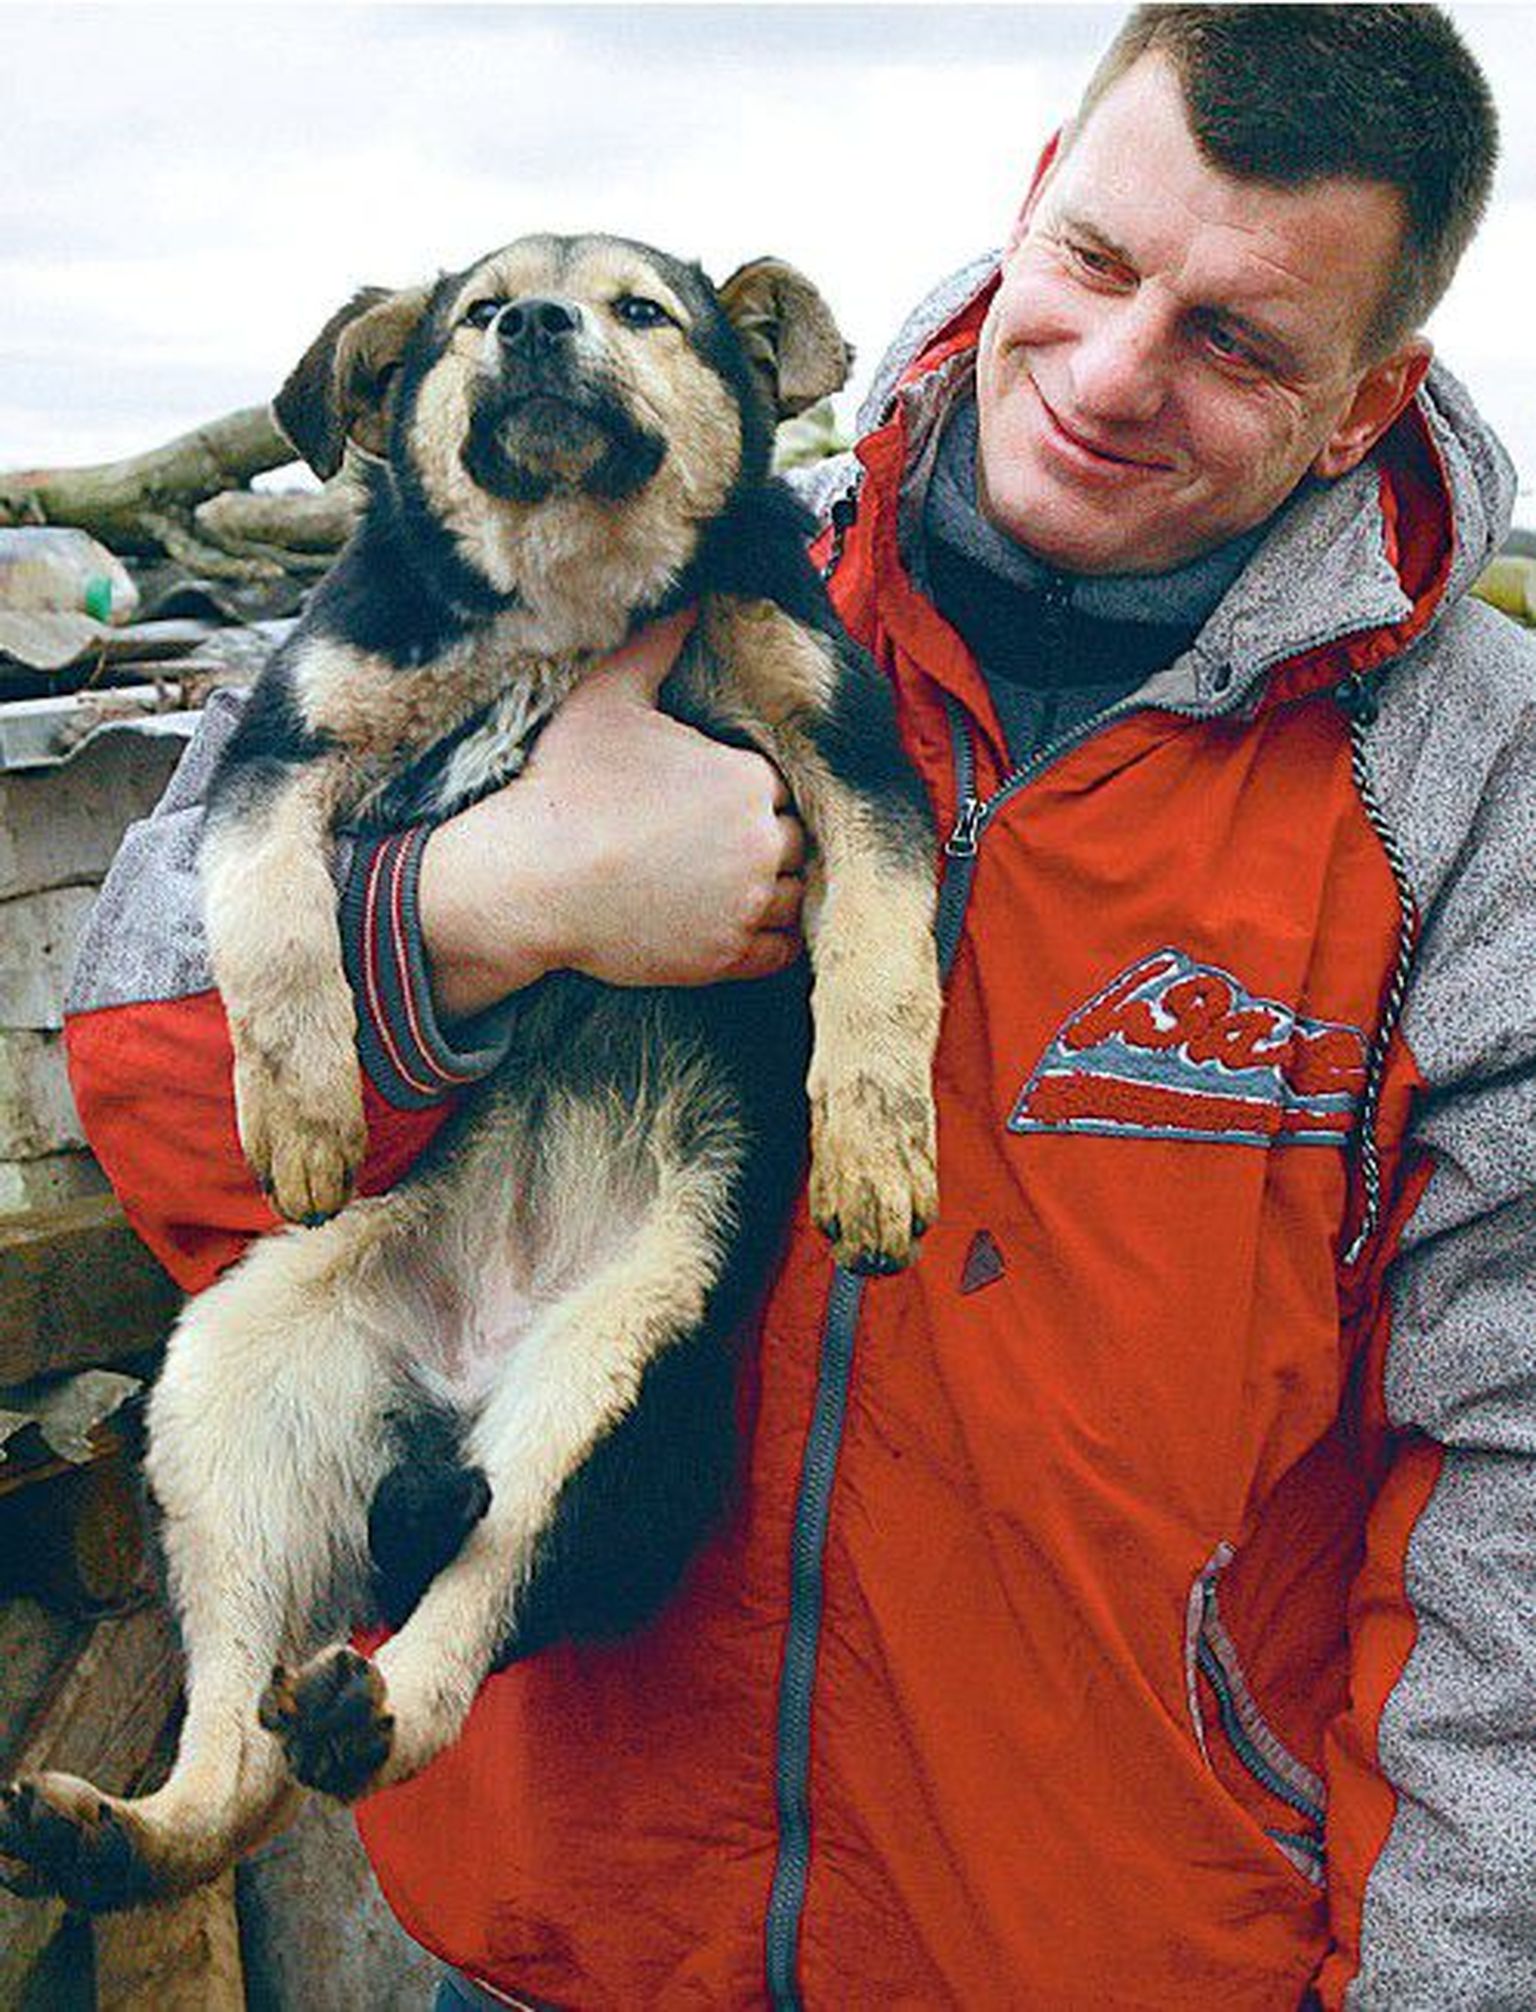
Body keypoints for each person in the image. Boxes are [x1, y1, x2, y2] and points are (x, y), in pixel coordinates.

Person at [58, 6, 1535, 2006]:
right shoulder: (616, 539)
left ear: (1370, 401)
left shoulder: (1470, 801)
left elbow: (1506, 1497)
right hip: (559, 1948)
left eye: (1235, 341)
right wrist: (494, 900)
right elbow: (141, 1055)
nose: (1107, 376)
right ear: (1034, 202)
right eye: (1095, 263)